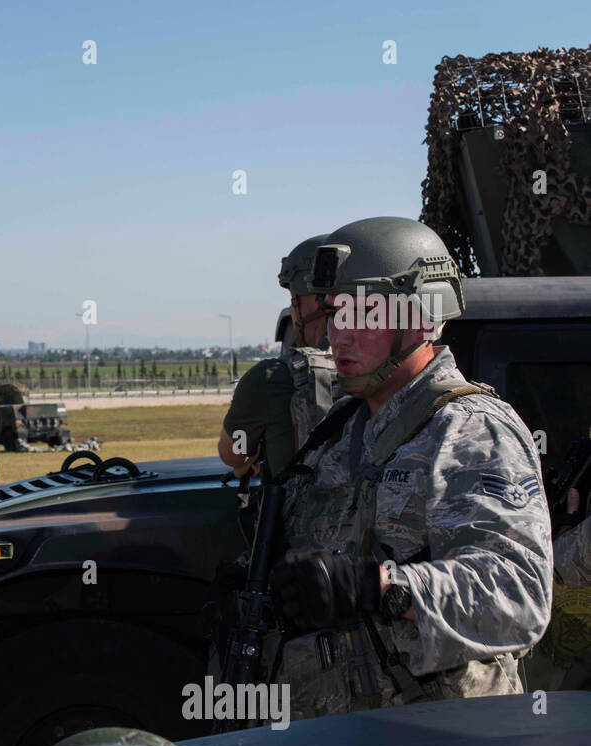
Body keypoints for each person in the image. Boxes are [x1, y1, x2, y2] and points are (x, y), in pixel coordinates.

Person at [266, 216, 552, 720]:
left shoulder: (469, 431)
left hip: (437, 743)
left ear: (419, 318)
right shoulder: (338, 431)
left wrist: (382, 588)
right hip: (342, 737)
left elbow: (519, 594)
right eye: (335, 313)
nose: (338, 335)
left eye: (363, 315)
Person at [218, 235, 338, 480]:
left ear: (316, 301)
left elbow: (234, 452)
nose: (292, 310)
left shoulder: (272, 379)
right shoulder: (395, 366)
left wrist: (246, 459)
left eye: (293, 299)